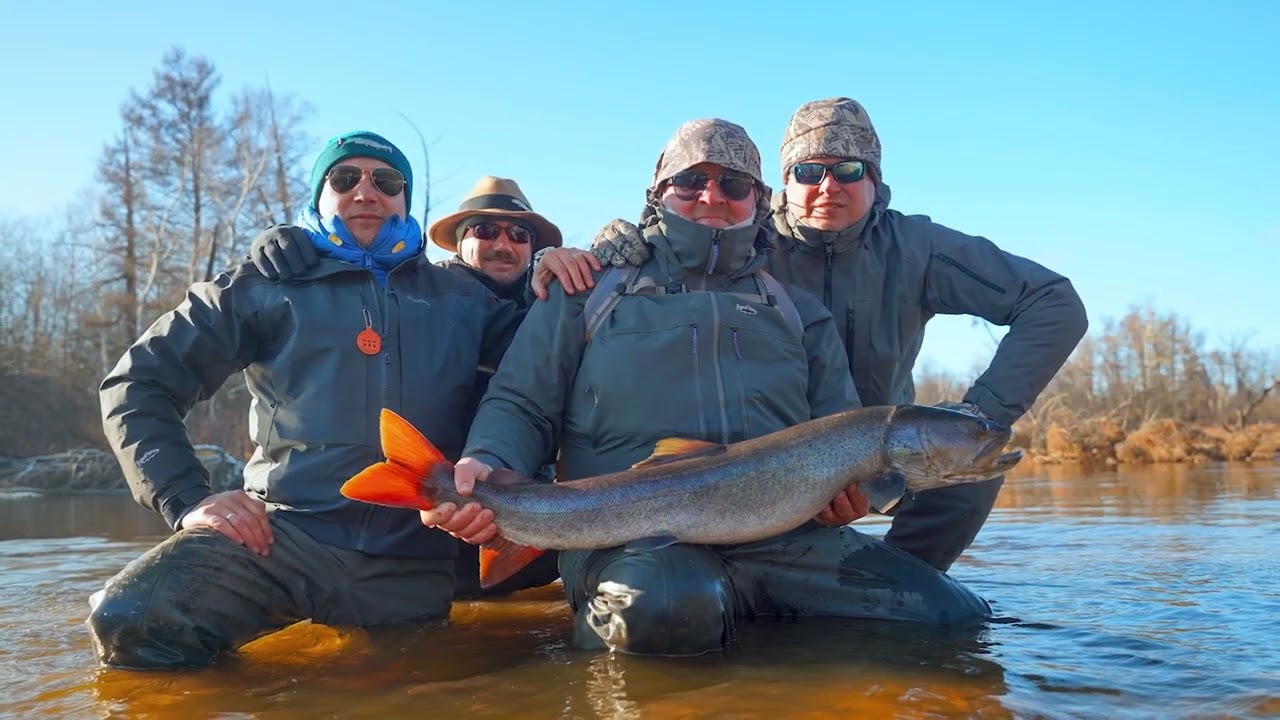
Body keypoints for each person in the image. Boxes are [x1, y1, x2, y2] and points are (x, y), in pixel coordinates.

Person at [426, 118, 992, 657]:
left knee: (951, 617)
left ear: (758, 199)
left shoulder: (800, 312)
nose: (712, 195)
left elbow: (842, 430)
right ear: (657, 193)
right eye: (691, 180)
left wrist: (854, 497)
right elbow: (521, 402)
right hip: (623, 536)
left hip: (784, 540)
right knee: (665, 610)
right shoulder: (586, 290)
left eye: (734, 183)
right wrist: (487, 459)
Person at [536, 97, 1089, 573]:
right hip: (754, 465)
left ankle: (889, 588)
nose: (828, 187)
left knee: (969, 466)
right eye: (808, 171)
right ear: (780, 185)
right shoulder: (744, 238)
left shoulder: (919, 249)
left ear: (876, 181)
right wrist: (586, 247)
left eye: (849, 170)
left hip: (884, 451)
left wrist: (980, 414)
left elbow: (1053, 302)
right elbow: (678, 227)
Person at [87, 130, 524, 669]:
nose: (366, 192)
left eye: (386, 181)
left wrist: (565, 265)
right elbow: (137, 385)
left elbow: (554, 370)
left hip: (413, 554)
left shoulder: (465, 299)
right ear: (318, 196)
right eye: (345, 179)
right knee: (130, 618)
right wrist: (187, 499)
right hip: (285, 538)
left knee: (408, 695)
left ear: (406, 200)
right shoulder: (264, 283)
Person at [251, 176, 568, 599]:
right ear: (457, 244)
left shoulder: (552, 308)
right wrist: (306, 248)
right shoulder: (420, 296)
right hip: (421, 524)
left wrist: (581, 270)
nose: (503, 245)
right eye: (486, 231)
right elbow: (361, 285)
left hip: (523, 514)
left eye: (520, 235)